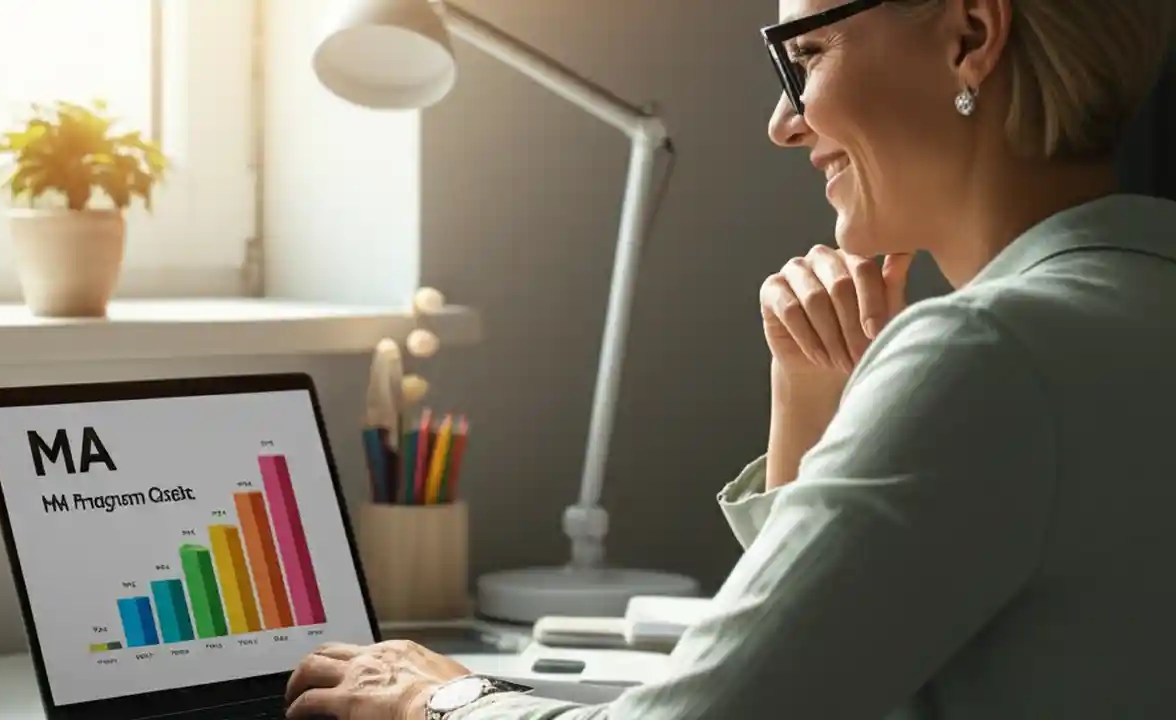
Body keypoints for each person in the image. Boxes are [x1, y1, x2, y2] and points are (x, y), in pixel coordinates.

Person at [285, 0, 1176, 717]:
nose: (783, 123)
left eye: (807, 53)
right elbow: (806, 663)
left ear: (971, 35)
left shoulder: (984, 355)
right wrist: (817, 411)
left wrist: (437, 699)